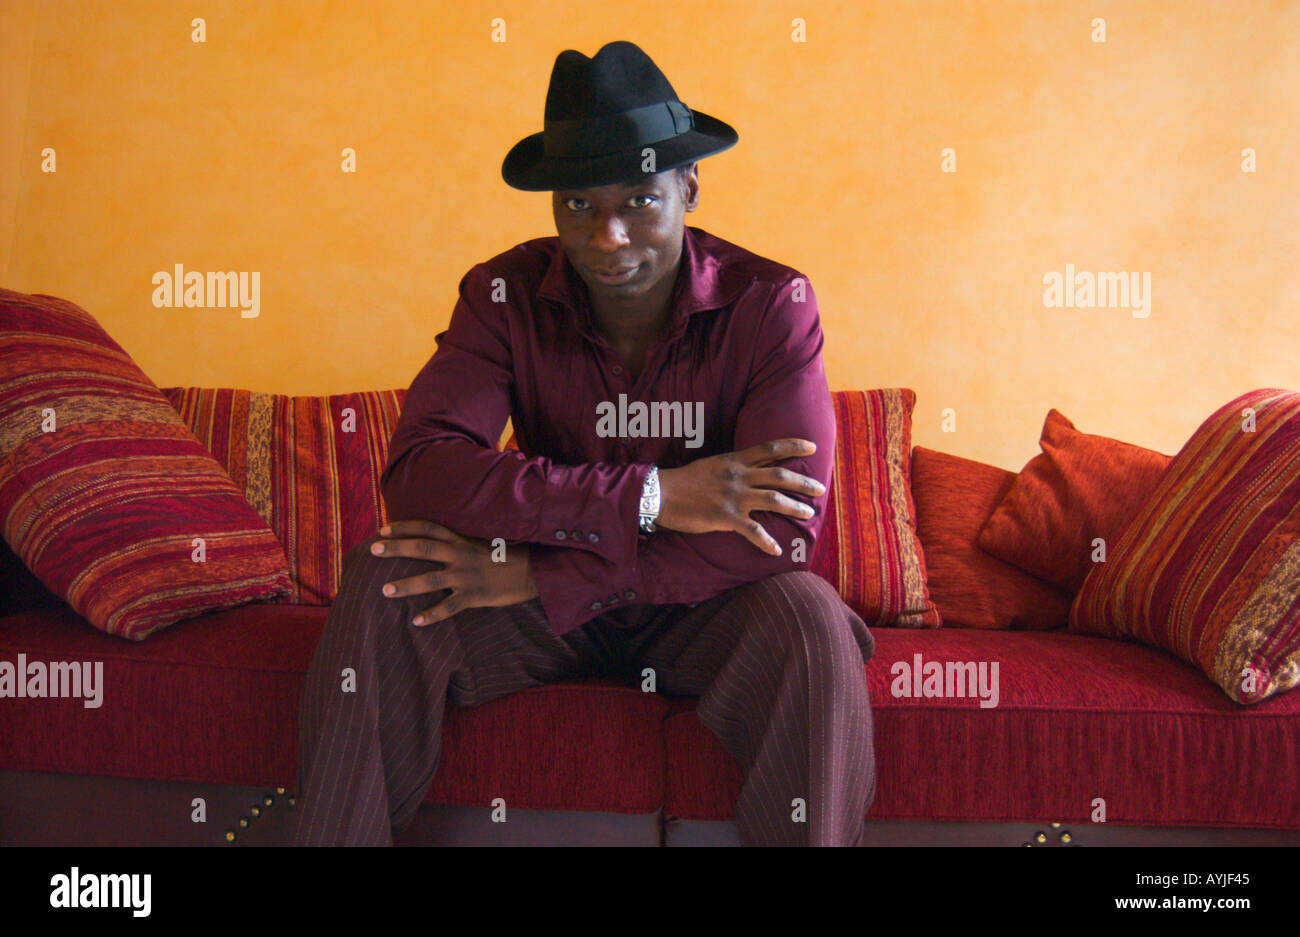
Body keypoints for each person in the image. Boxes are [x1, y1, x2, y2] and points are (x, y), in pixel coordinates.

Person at [285, 39, 877, 847]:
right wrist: (652, 497)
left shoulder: (773, 305)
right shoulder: (501, 296)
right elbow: (422, 469)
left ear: (689, 187)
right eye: (578, 206)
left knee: (812, 620)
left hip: (695, 605)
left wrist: (541, 571)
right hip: (535, 617)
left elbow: (778, 535)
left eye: (639, 200)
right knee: (390, 573)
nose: (606, 237)